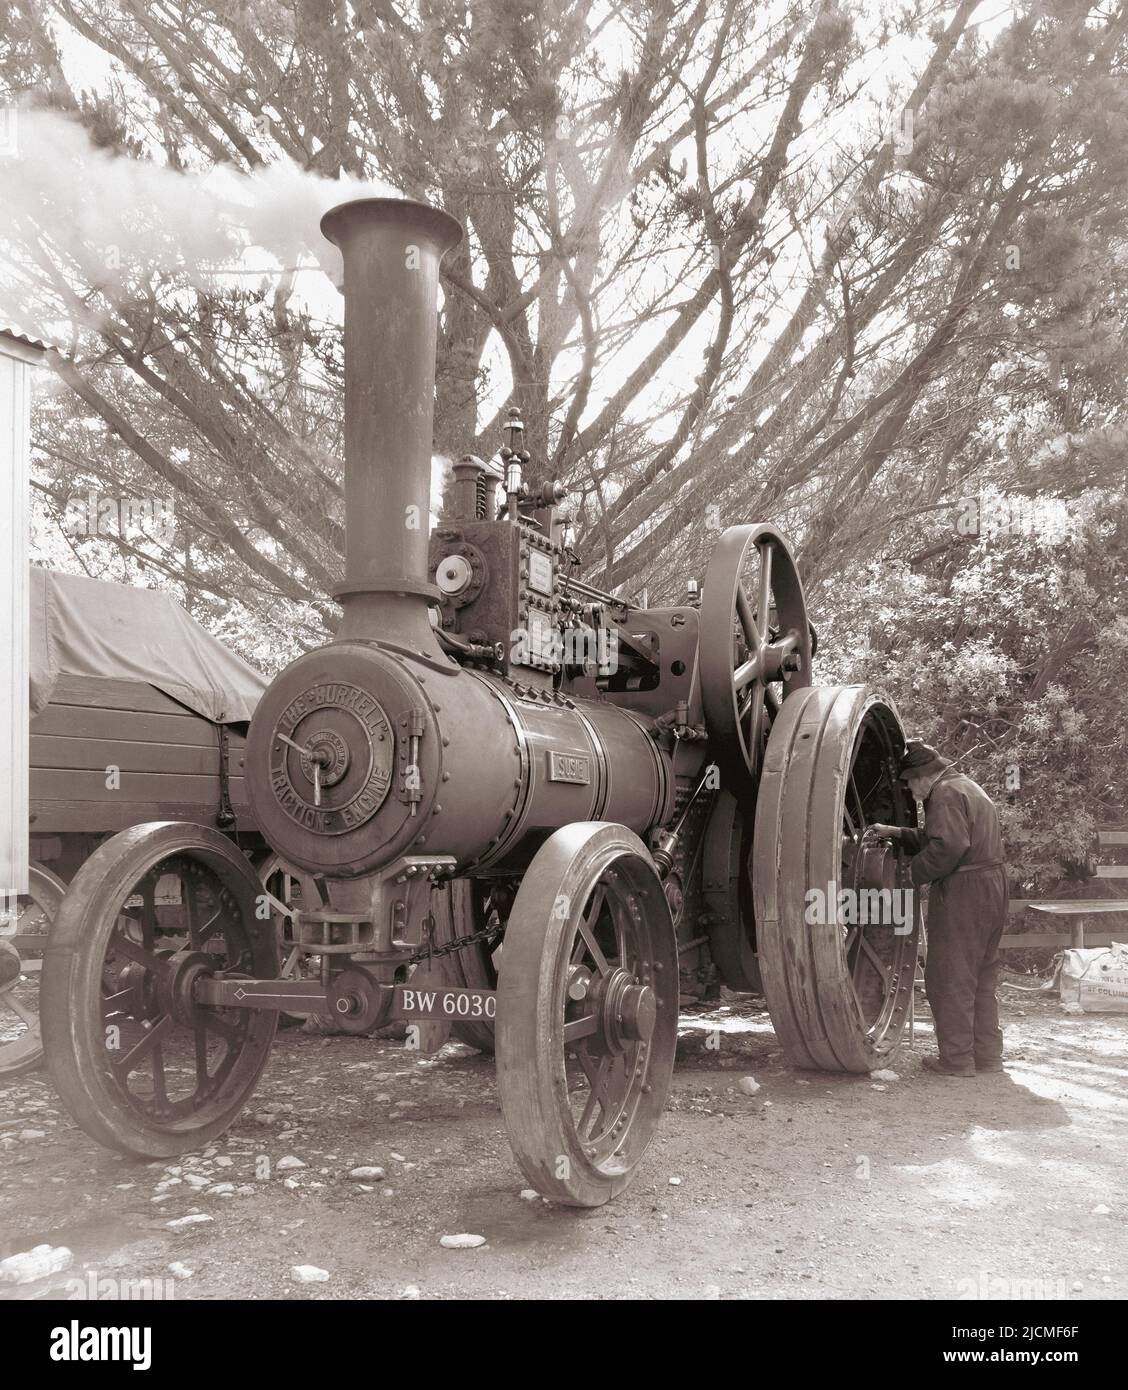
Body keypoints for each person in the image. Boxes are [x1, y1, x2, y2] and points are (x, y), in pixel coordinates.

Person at [870, 740, 1009, 1077]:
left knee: (951, 976)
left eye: (909, 783)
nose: (911, 792)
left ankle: (957, 1060)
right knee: (982, 976)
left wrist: (909, 874)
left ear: (922, 777)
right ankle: (988, 1057)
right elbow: (947, 836)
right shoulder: (968, 787)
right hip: (993, 886)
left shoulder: (944, 794)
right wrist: (899, 833)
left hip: (965, 891)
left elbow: (949, 846)